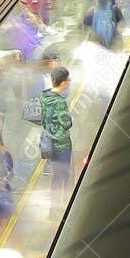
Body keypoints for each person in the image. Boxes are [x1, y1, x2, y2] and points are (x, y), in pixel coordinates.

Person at [40, 66, 75, 206]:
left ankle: (53, 206)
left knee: (56, 175)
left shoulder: (44, 96)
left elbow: (43, 119)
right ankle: (64, 205)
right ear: (63, 83)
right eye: (68, 79)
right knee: (65, 175)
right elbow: (67, 123)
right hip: (62, 144)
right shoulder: (60, 102)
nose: (70, 82)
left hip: (49, 142)